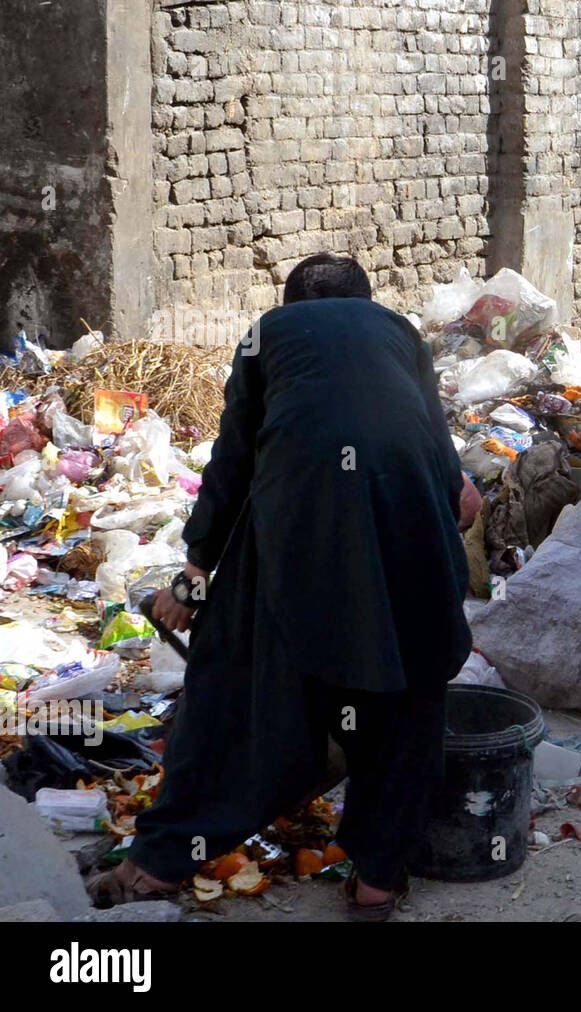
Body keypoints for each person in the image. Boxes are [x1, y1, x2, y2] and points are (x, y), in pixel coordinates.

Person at [87, 254, 474, 921]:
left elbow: (234, 459)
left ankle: (152, 869)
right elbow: (445, 466)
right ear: (368, 298)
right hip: (412, 526)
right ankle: (378, 882)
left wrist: (198, 570)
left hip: (303, 526)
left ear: (290, 301)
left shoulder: (271, 333)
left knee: (235, 692)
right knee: (406, 697)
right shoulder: (401, 336)